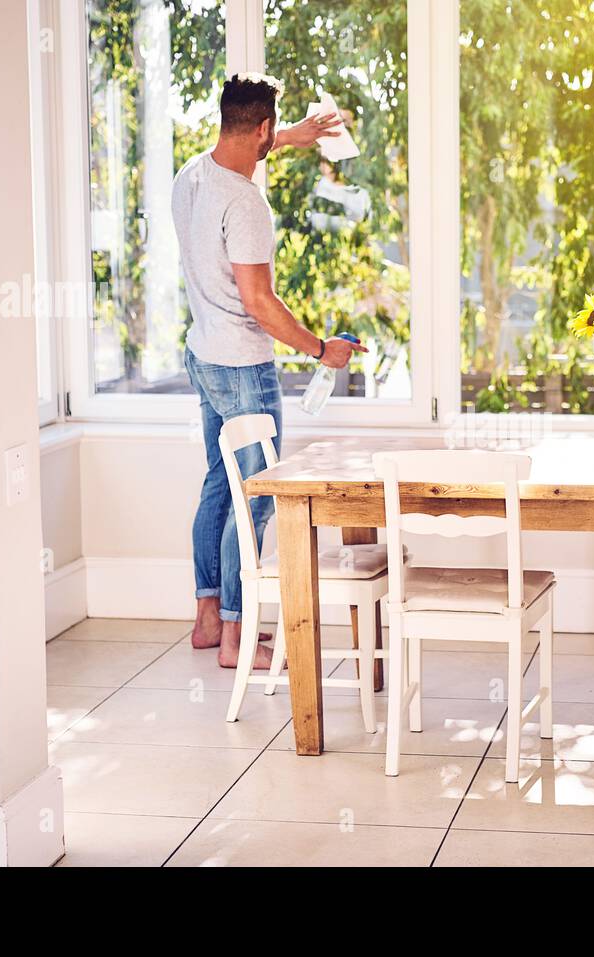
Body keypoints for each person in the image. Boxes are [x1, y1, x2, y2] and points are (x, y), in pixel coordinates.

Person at [171, 72, 368, 669]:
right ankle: (238, 636)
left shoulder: (191, 177)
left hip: (203, 354)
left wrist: (291, 136)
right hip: (243, 367)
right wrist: (319, 349)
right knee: (254, 499)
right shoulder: (247, 203)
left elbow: (243, 145)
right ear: (261, 126)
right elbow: (260, 301)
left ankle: (208, 618)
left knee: (217, 483)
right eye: (271, 131)